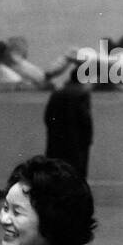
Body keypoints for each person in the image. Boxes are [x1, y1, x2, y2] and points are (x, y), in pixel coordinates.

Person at [43, 50, 93, 178]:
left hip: (56, 138)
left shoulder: (57, 93)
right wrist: (88, 139)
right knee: (76, 174)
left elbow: (48, 116)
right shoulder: (82, 94)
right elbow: (85, 119)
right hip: (76, 141)